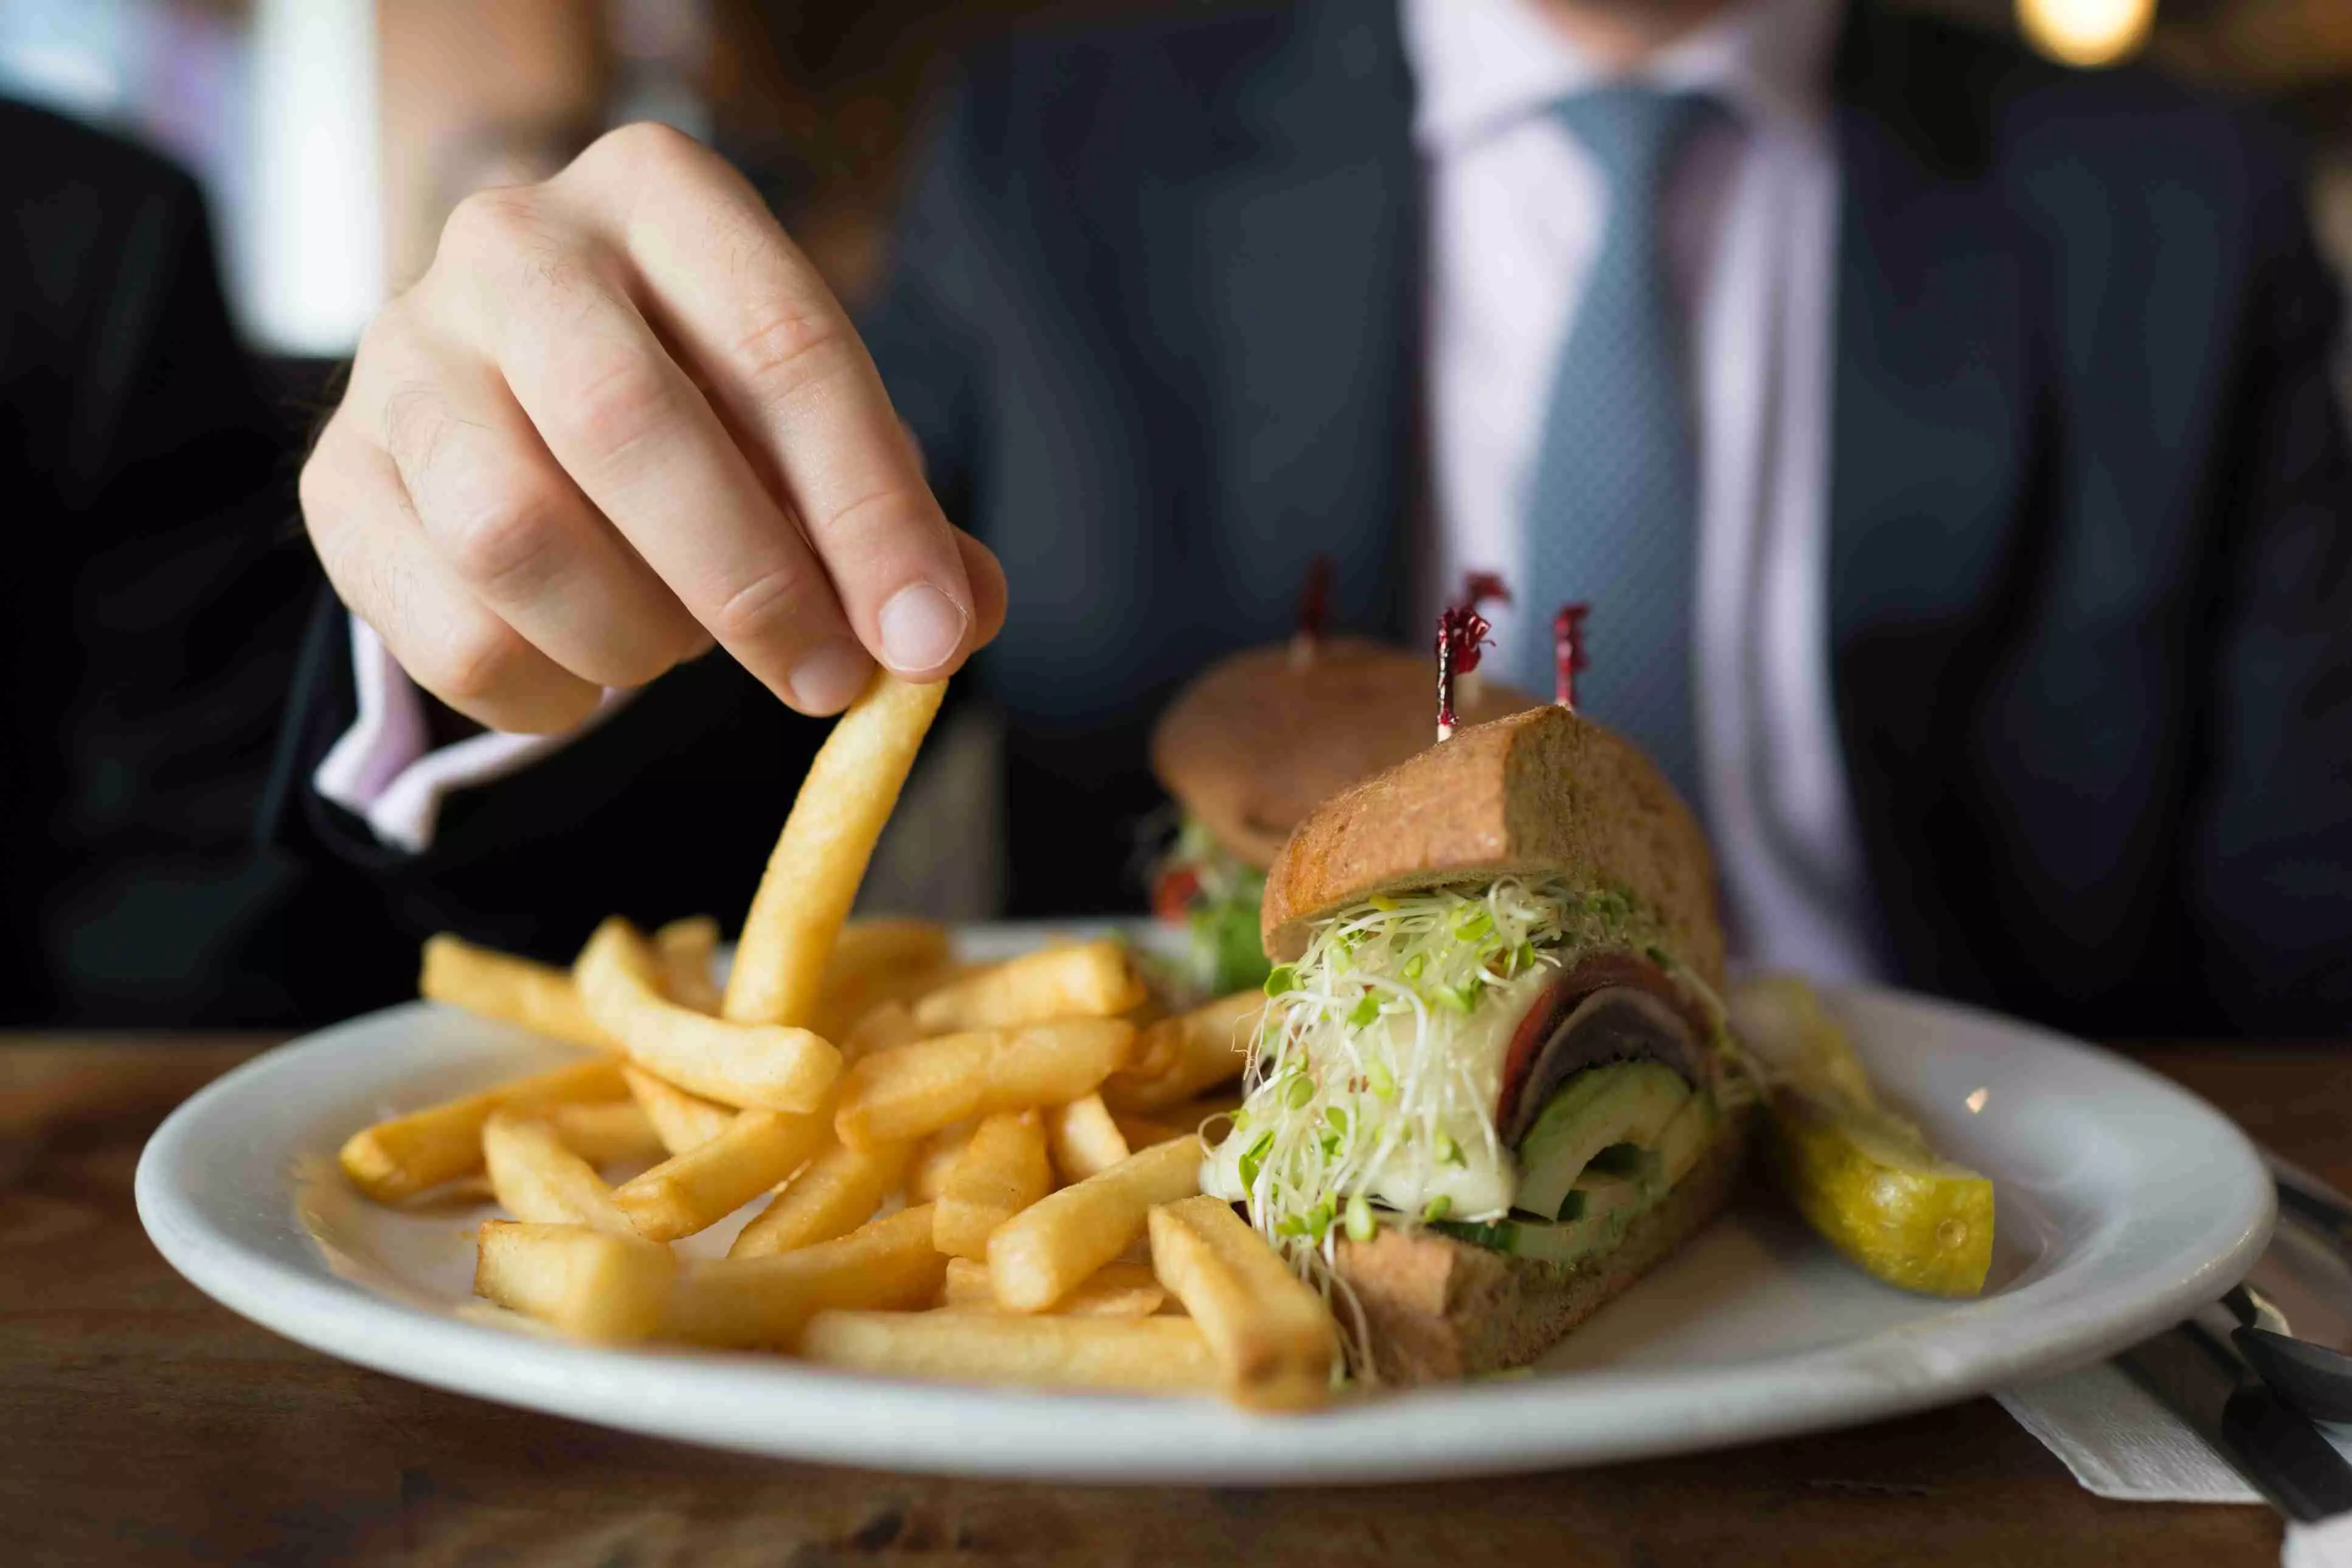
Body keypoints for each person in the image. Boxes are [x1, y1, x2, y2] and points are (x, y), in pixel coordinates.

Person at [20, 0, 2352, 1036]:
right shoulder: (1064, 156)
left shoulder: (2175, 205)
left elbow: (2302, 958)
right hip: (1204, 1342)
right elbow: (744, 692)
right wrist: (489, 617)